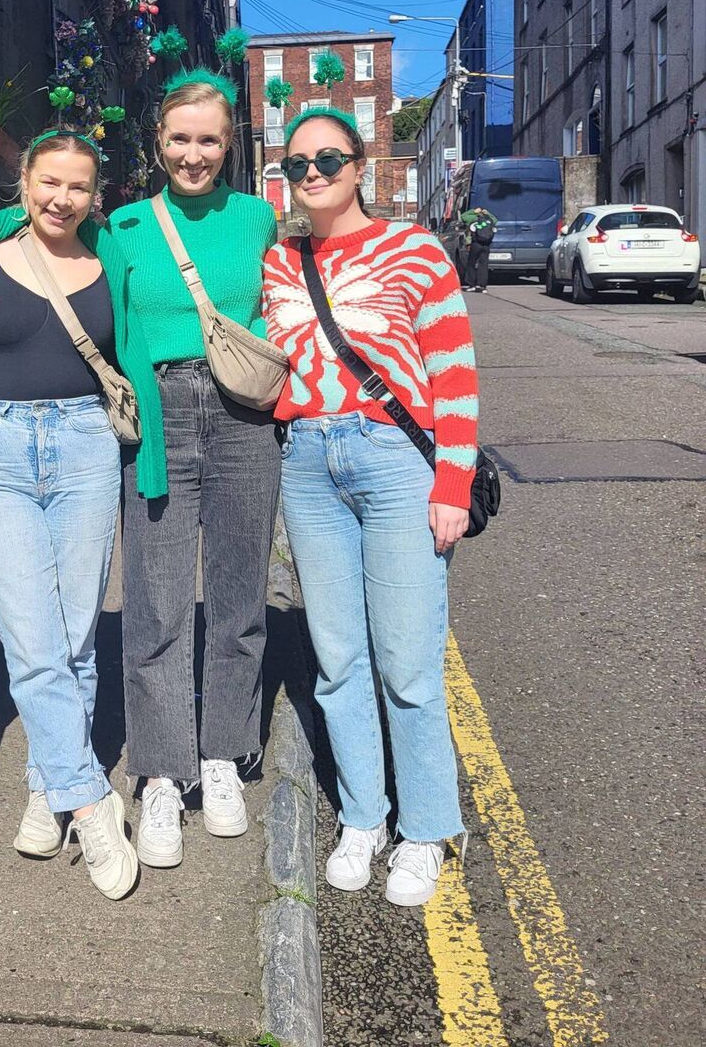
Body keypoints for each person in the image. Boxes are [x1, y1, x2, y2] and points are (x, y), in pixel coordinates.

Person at [263, 106, 478, 907]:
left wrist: (452, 484)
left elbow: (453, 373)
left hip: (395, 462)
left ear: (361, 167)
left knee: (408, 662)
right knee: (338, 659)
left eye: (328, 159)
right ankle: (364, 817)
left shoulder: (415, 251)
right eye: (298, 166)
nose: (312, 175)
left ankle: (425, 828)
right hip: (307, 462)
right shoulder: (279, 263)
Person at [0, 129, 167, 900]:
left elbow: (136, 351)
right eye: (49, 182)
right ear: (24, 181)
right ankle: (90, 798)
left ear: (94, 193)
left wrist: (148, 462)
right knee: (30, 637)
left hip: (83, 446)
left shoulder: (110, 254)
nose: (60, 198)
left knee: (76, 636)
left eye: (77, 187)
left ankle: (47, 786)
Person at [107, 70, 280, 869]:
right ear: (158, 143)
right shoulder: (127, 225)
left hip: (246, 417)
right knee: (157, 601)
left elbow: (293, 308)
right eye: (179, 138)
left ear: (230, 143)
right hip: (161, 418)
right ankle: (163, 773)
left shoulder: (258, 218)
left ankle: (223, 754)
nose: (193, 153)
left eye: (209, 138)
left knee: (240, 595)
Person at [460, 205, 498, 292]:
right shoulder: (489, 219)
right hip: (486, 244)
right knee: (483, 265)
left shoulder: (473, 218)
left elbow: (463, 216)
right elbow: (495, 220)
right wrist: (487, 213)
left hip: (475, 243)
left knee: (471, 264)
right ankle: (482, 286)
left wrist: (473, 211)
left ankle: (471, 284)